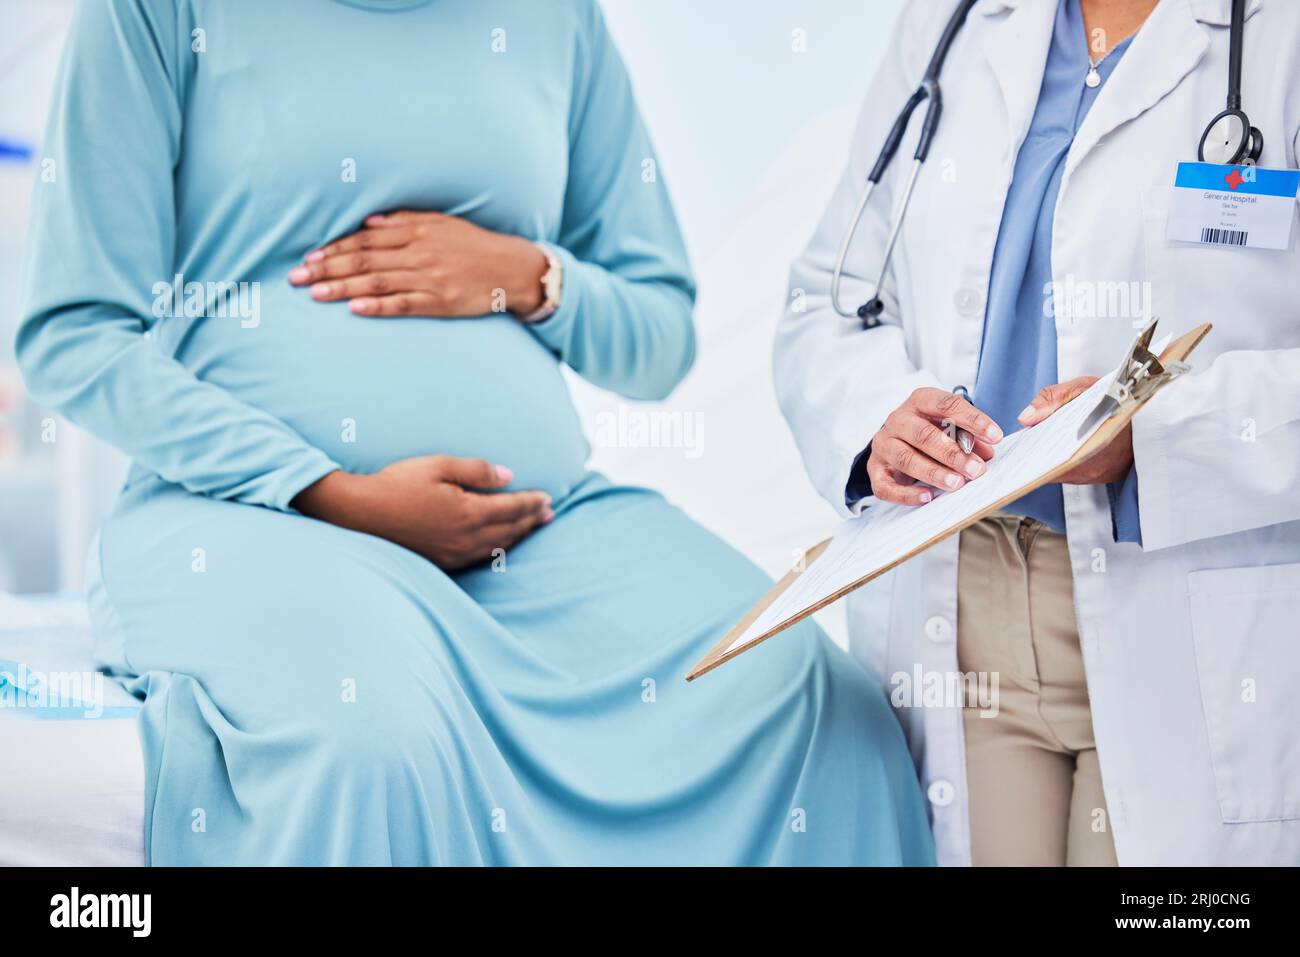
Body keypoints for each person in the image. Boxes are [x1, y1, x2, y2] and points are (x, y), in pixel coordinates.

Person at [16, 0, 933, 866]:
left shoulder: (550, 17)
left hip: (541, 531)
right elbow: (74, 334)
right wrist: (329, 489)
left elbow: (658, 337)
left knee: (819, 705)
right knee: (371, 736)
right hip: (252, 520)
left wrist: (525, 273)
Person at [776, 0, 1300, 865]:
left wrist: (1162, 429)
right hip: (963, 605)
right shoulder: (955, 22)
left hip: (1189, 617)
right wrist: (876, 419)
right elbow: (823, 304)